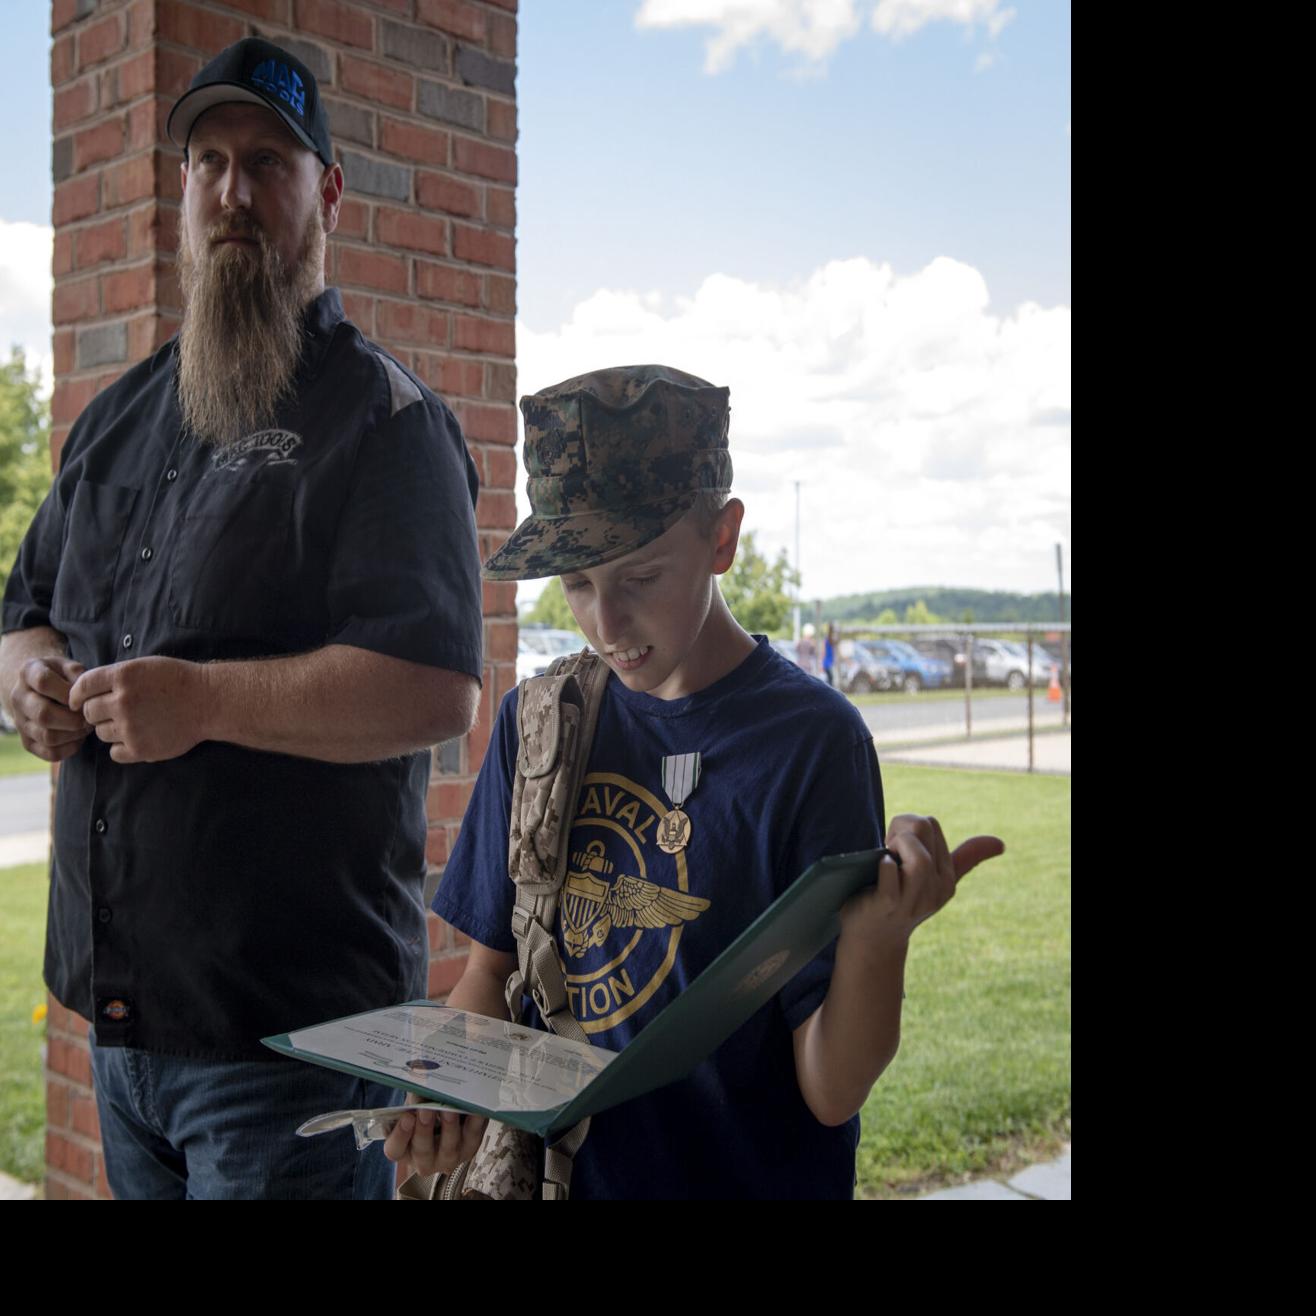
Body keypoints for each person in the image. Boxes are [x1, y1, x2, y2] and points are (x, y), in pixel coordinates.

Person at [0, 38, 485, 1200]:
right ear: (181, 189)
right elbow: (23, 611)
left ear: (324, 193)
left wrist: (204, 700)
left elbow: (432, 688)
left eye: (267, 162)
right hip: (123, 1027)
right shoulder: (115, 420)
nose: (232, 191)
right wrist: (28, 680)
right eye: (208, 160)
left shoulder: (385, 421)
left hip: (291, 1046)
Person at [383, 365, 1002, 1198]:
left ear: (722, 538)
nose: (607, 624)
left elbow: (831, 1088)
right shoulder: (541, 722)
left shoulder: (811, 743)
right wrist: (441, 1092)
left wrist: (879, 941)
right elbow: (487, 979)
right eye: (577, 585)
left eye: (639, 578)